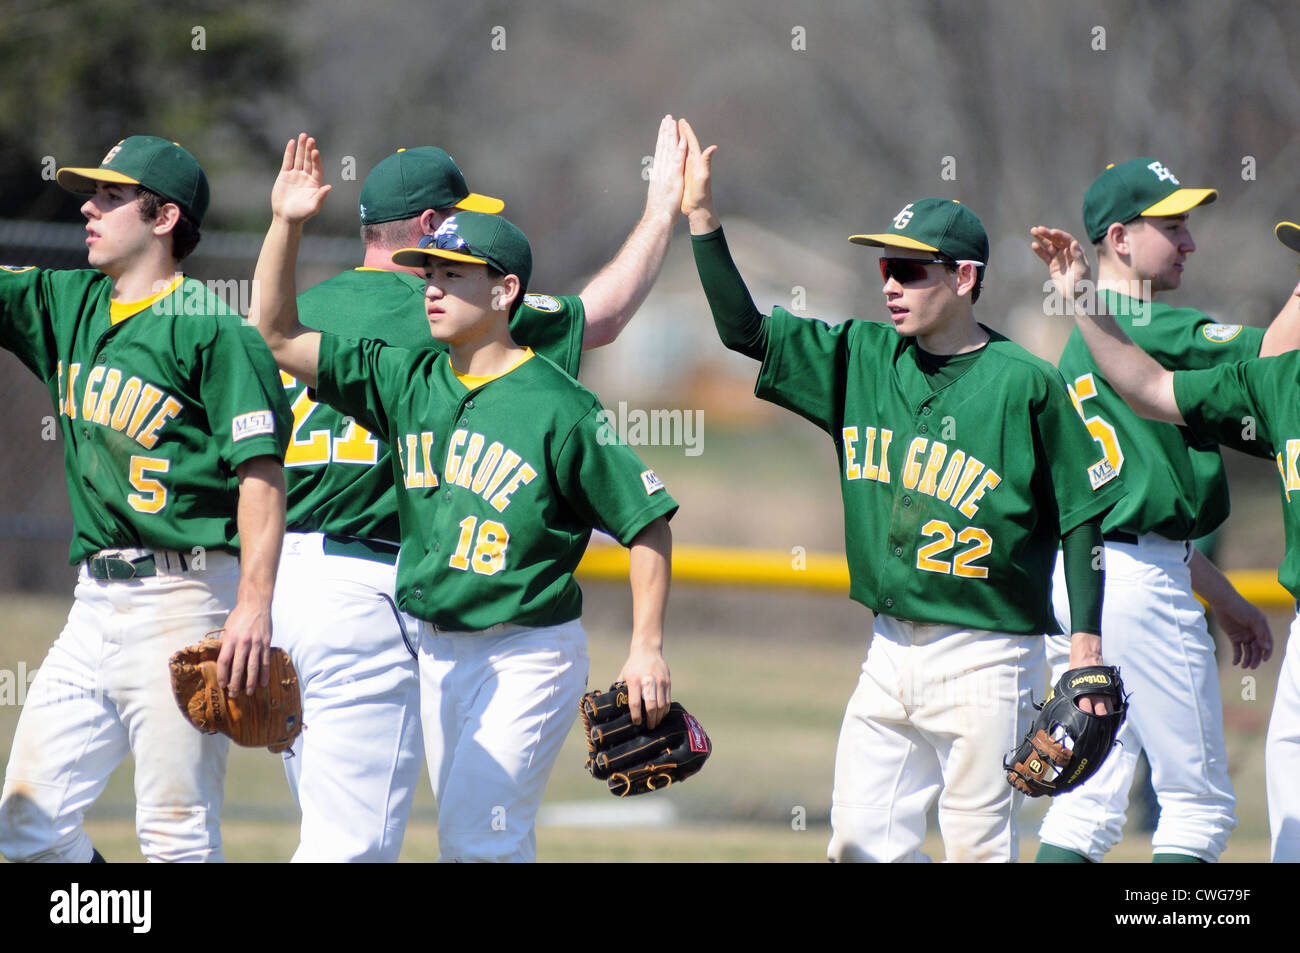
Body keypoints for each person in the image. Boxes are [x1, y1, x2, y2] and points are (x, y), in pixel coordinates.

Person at [677, 119, 1123, 862]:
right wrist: (700, 218)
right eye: (887, 266)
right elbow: (742, 331)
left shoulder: (1026, 386)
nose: (891, 281)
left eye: (913, 270)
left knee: (979, 850)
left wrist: (1084, 650)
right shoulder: (859, 356)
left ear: (965, 279)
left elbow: (1082, 516)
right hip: (887, 651)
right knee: (857, 843)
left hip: (990, 653)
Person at [252, 134, 678, 862]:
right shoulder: (414, 374)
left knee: (458, 841)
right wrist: (659, 213)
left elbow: (646, 520)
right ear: (423, 228)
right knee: (426, 840)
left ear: (502, 290)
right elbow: (601, 315)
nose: (432, 288)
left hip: (503, 637)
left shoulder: (549, 399)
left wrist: (646, 646)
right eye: (430, 269)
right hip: (415, 620)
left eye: (452, 272)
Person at [0, 136, 290, 862]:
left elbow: (261, 472)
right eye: (88, 195)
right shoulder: (64, 302)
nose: (88, 208)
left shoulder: (214, 329)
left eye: (109, 196)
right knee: (27, 827)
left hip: (185, 597)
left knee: (176, 836)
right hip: (92, 602)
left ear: (164, 217)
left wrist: (252, 604)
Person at [1035, 159, 1291, 865]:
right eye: (1171, 226)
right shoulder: (1160, 328)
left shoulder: (1074, 343)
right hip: (1142, 586)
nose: (1189, 242)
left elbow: (1135, 516)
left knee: (1085, 794)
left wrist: (1228, 599)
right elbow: (1276, 357)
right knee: (1199, 804)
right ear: (1118, 238)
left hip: (1082, 579)